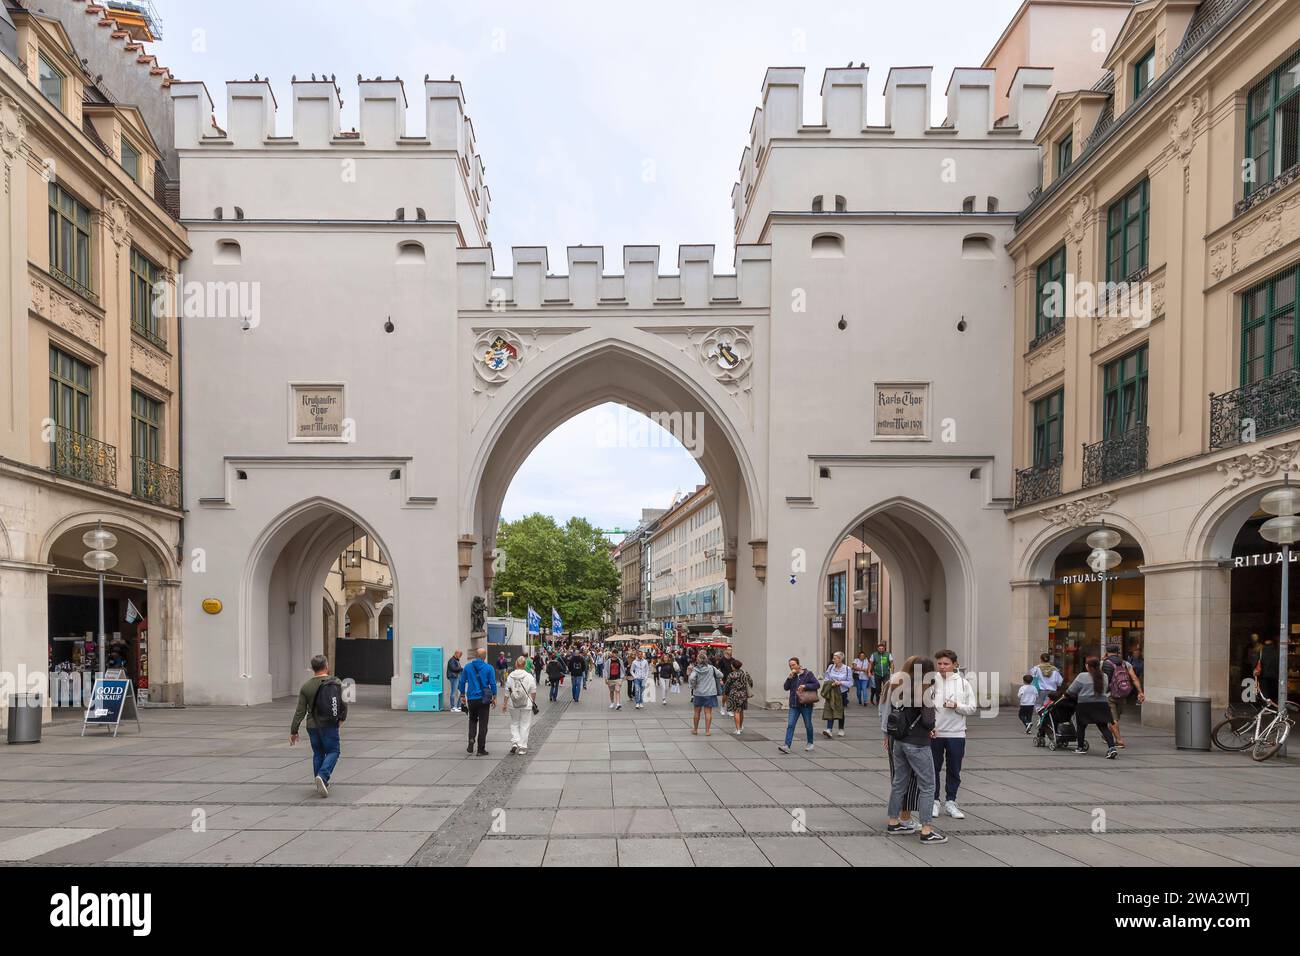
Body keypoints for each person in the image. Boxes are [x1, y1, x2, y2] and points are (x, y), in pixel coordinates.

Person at [884, 656, 945, 844]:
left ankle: (893, 822)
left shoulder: (899, 686)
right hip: (917, 744)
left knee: (899, 782)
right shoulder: (923, 691)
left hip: (900, 741)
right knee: (927, 786)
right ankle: (927, 830)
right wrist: (932, 724)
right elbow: (927, 721)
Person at [290, 655, 348, 797]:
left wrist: (294, 731)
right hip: (329, 723)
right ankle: (322, 776)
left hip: (312, 725)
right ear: (326, 666)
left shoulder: (306, 687)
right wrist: (341, 718)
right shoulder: (337, 682)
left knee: (318, 753)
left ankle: (321, 781)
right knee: (334, 751)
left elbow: (300, 711)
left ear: (312, 668)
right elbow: (344, 702)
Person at [930, 649, 977, 820]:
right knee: (933, 769)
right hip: (934, 733)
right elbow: (923, 706)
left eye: (946, 664)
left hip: (956, 733)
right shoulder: (930, 681)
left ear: (954, 665)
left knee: (954, 770)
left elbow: (972, 707)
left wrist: (956, 705)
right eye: (940, 663)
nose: (942, 667)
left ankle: (951, 801)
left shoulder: (963, 683)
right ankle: (934, 801)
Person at [879, 657, 921, 832]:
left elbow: (883, 710)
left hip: (892, 734)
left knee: (897, 777)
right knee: (911, 779)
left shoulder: (893, 681)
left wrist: (885, 734)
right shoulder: (914, 684)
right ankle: (905, 817)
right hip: (910, 737)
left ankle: (895, 818)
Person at [1066, 656, 1118, 758]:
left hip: (1085, 705)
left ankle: (1080, 747)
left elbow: (1071, 691)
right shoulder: (1105, 676)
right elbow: (1106, 688)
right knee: (1103, 727)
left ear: (1087, 666)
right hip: (1102, 704)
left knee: (1081, 726)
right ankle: (1112, 748)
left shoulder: (1082, 676)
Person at [1102, 644, 1145, 749]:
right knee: (1115, 717)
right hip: (1122, 693)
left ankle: (1119, 741)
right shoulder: (1125, 663)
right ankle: (1106, 734)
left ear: (1107, 652)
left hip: (1109, 694)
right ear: (1118, 652)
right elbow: (1134, 678)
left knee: (1113, 719)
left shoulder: (1103, 663)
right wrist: (1140, 692)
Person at [459, 647, 498, 756]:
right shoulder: (489, 668)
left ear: (476, 656)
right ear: (484, 657)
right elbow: (493, 684)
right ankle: (481, 749)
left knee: (472, 720)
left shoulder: (467, 667)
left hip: (471, 698)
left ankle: (471, 739)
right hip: (484, 699)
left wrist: (462, 695)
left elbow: (462, 682)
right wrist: (494, 696)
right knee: (483, 724)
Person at [779, 657, 819, 753]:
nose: (791, 667)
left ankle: (810, 743)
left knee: (808, 724)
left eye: (793, 665)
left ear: (798, 664)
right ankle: (787, 745)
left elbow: (817, 684)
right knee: (790, 725)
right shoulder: (792, 676)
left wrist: (806, 686)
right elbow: (785, 687)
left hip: (806, 704)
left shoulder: (808, 674)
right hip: (794, 705)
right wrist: (789, 678)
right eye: (790, 665)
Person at [505, 656, 538, 755]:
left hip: (513, 702)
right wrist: (533, 702)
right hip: (526, 703)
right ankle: (522, 747)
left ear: (516, 664)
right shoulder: (529, 676)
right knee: (525, 724)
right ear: (524, 665)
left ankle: (515, 741)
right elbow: (533, 691)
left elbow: (507, 691)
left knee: (514, 722)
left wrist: (504, 704)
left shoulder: (510, 676)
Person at [688, 651, 723, 735]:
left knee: (697, 712)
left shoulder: (695, 669)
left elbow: (692, 678)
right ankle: (707, 731)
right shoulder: (712, 668)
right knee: (708, 712)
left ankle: (695, 730)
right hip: (710, 693)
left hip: (698, 693)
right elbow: (721, 675)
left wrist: (693, 685)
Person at [822, 651, 854, 738]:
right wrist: (830, 683)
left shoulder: (847, 669)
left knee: (840, 710)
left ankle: (841, 729)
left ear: (840, 659)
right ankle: (829, 729)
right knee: (830, 708)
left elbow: (850, 683)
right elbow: (826, 677)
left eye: (835, 658)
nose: (833, 660)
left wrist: (840, 682)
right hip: (831, 691)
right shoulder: (831, 667)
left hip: (842, 692)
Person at [723, 658, 753, 735]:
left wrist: (726, 693)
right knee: (741, 711)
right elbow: (751, 682)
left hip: (734, 695)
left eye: (731, 665)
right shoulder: (745, 672)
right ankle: (740, 727)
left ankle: (738, 729)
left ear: (733, 666)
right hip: (743, 694)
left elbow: (727, 685)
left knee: (736, 711)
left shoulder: (731, 675)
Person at [716, 648, 735, 717]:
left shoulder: (733, 660)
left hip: (732, 680)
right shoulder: (722, 660)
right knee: (725, 695)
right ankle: (722, 707)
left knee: (730, 695)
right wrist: (720, 679)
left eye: (731, 649)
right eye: (729, 649)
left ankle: (729, 709)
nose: (730, 651)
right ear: (726, 651)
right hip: (724, 679)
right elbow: (718, 670)